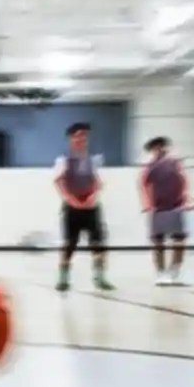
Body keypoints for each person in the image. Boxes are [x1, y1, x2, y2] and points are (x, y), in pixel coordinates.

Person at [54, 122, 114, 292]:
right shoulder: (63, 159)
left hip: (91, 207)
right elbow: (59, 182)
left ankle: (100, 277)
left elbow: (98, 182)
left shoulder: (93, 159)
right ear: (71, 138)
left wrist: (93, 198)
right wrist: (71, 200)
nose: (82, 139)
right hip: (72, 207)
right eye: (78, 135)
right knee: (69, 243)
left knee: (99, 243)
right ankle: (63, 279)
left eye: (85, 136)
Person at [139, 136, 193, 286]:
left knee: (179, 240)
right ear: (152, 150)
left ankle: (174, 270)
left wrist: (186, 200)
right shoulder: (150, 167)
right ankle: (161, 272)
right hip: (158, 208)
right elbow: (143, 185)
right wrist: (148, 204)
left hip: (176, 206)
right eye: (156, 147)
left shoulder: (175, 163)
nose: (160, 149)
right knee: (158, 242)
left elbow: (184, 181)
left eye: (162, 146)